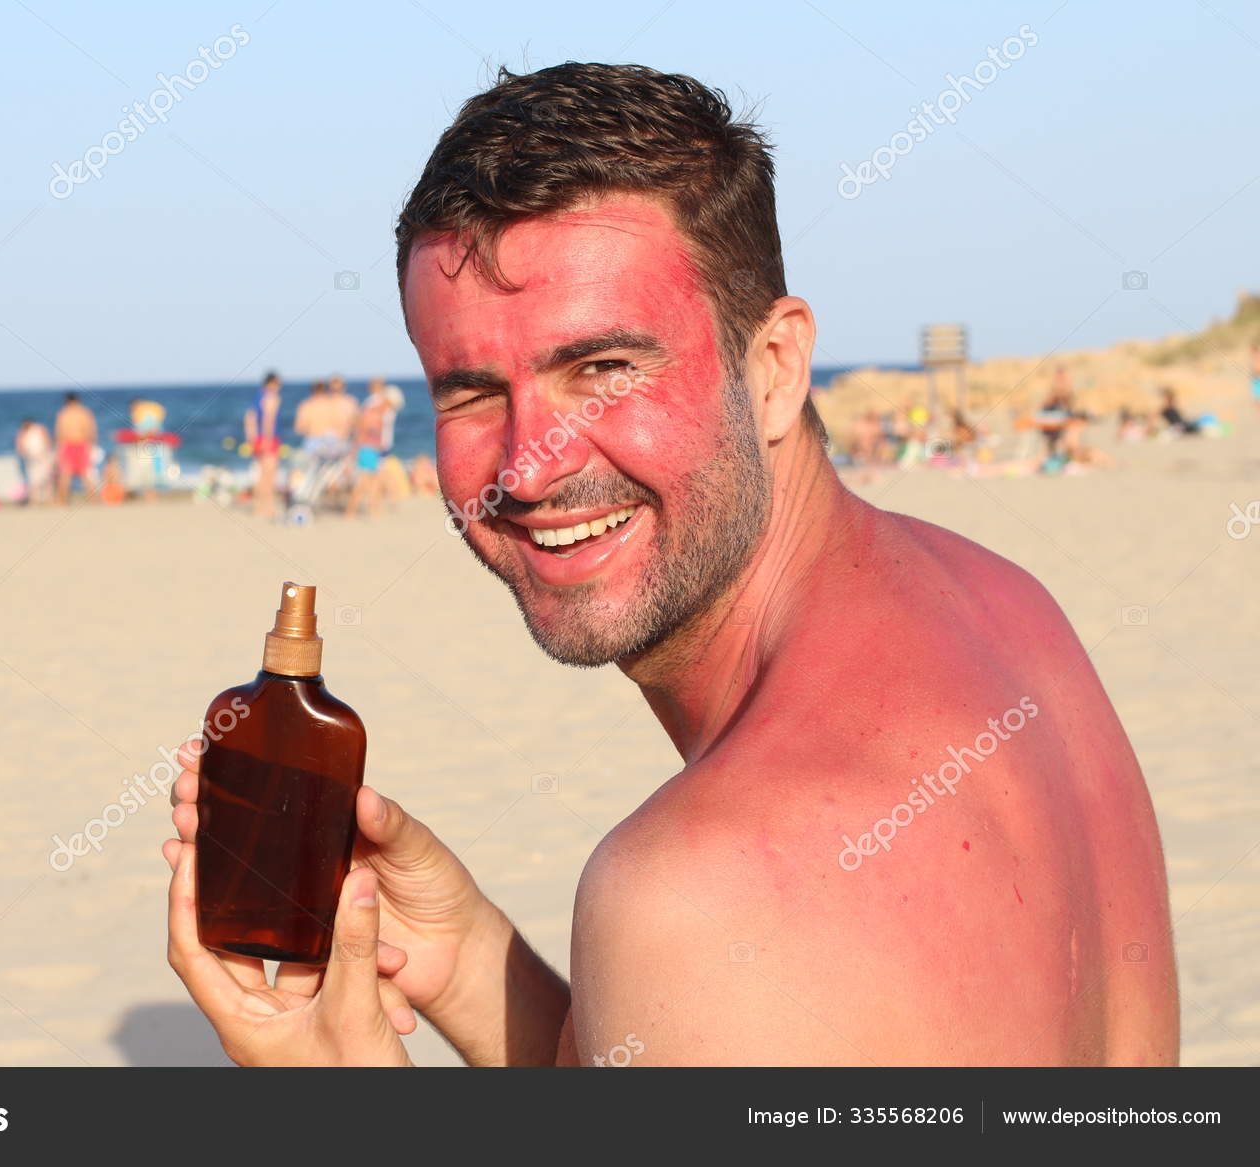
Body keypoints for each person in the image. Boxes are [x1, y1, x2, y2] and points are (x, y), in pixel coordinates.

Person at [165, 63, 1177, 1066]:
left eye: (602, 369)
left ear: (773, 370)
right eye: (470, 391)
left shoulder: (701, 892)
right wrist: (469, 958)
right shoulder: (1007, 611)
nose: (525, 466)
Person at [346, 381, 391, 518]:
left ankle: (371, 509)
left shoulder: (377, 415)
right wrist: (354, 451)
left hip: (372, 450)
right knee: (365, 481)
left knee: (373, 481)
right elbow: (361, 434)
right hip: (367, 450)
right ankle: (351, 512)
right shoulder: (371, 414)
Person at [244, 372, 284, 519]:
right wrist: (268, 440)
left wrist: (252, 439)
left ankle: (258, 508)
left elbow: (249, 418)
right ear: (272, 383)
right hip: (269, 439)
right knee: (269, 476)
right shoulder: (272, 397)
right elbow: (269, 420)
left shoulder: (258, 396)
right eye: (279, 383)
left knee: (261, 474)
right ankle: (268, 508)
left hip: (258, 439)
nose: (280, 387)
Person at [55, 392, 99, 503]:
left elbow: (59, 433)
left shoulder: (63, 413)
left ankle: (62, 501)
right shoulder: (84, 412)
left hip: (68, 445)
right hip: (82, 444)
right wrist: (91, 446)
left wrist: (59, 449)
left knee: (65, 474)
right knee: (85, 474)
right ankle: (94, 499)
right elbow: (91, 431)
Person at [16, 418, 55, 504]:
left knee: (47, 478)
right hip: (31, 459)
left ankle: (49, 498)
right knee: (33, 479)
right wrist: (26, 454)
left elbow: (47, 441)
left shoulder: (39, 429)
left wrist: (45, 454)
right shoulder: (22, 432)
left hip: (43, 457)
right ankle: (35, 499)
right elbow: (20, 448)